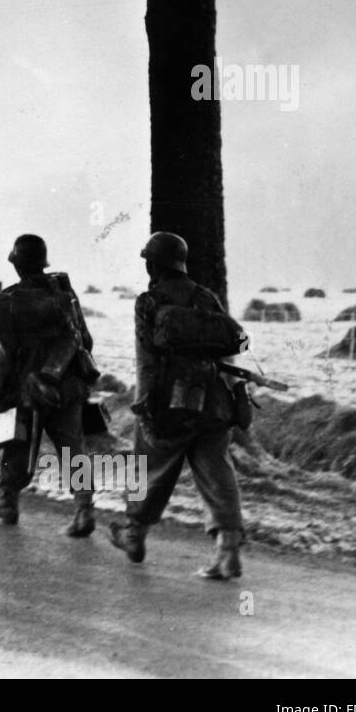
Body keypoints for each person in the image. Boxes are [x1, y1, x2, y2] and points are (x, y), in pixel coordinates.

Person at [109, 231, 247, 580]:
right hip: (214, 402)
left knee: (147, 467)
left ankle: (134, 533)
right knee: (217, 473)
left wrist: (145, 406)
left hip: (169, 401)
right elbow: (227, 353)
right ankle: (228, 553)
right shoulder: (207, 297)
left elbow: (146, 359)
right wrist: (237, 396)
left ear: (153, 264)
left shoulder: (149, 302)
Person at [0, 234, 98, 536]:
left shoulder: (5, 302)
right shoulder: (65, 296)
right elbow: (85, 340)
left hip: (25, 389)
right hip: (66, 387)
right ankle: (84, 509)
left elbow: (3, 353)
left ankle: (8, 501)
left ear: (16, 263)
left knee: (17, 445)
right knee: (74, 450)